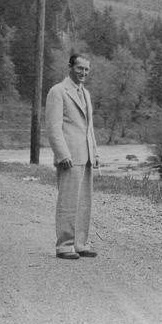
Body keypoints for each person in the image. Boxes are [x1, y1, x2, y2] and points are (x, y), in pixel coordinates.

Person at [45, 54, 100, 259]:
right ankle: (64, 246)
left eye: (86, 69)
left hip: (85, 155)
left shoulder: (85, 93)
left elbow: (88, 127)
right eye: (79, 68)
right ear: (70, 67)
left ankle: (80, 243)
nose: (83, 73)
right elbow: (53, 128)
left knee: (84, 202)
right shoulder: (58, 91)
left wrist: (94, 152)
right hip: (69, 156)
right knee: (67, 201)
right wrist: (62, 154)